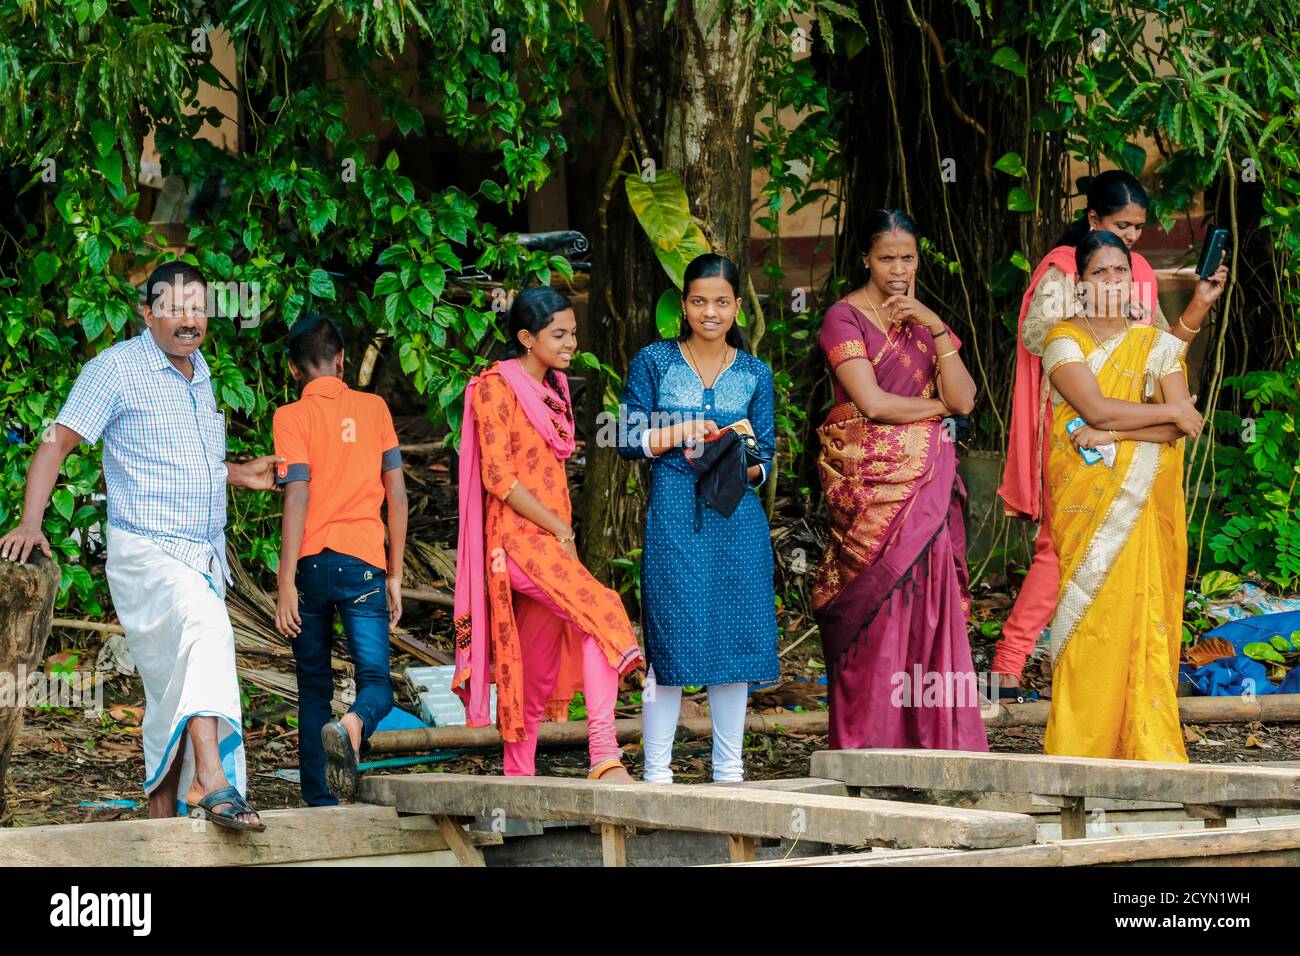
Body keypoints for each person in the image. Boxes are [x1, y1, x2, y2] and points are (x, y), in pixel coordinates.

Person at [0, 260, 280, 830]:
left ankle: (165, 818)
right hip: (148, 550)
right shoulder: (116, 369)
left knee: (171, 688)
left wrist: (239, 473)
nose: (188, 319)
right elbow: (55, 442)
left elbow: (179, 463)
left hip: (201, 556)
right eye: (174, 308)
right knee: (209, 632)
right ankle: (210, 779)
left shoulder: (201, 373)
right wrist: (32, 521)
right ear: (146, 313)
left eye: (198, 307)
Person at [993, 170, 1229, 694]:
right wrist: (1165, 414)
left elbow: (1154, 349)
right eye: (1122, 225)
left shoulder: (1138, 268)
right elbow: (1051, 348)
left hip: (1133, 432)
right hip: (1078, 426)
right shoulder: (1061, 271)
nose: (1131, 239)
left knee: (1134, 553)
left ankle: (1129, 670)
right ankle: (1011, 662)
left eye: (1139, 229)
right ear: (1093, 219)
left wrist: (1198, 305)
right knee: (1060, 546)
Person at [813, 209, 988, 751]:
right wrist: (937, 410)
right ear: (866, 258)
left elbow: (966, 400)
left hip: (927, 490)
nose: (897, 268)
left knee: (929, 606)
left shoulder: (928, 323)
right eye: (886, 257)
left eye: (907, 257)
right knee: (879, 609)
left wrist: (934, 326)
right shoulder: (844, 318)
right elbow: (871, 402)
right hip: (869, 489)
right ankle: (872, 747)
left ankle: (936, 744)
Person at [453, 285, 644, 780]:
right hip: (516, 542)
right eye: (558, 335)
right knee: (601, 609)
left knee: (535, 671)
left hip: (549, 541)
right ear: (525, 336)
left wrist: (559, 533)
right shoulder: (494, 387)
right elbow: (499, 477)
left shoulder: (555, 387)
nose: (569, 344)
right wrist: (560, 527)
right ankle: (603, 754)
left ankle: (518, 782)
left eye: (573, 333)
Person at [617, 253, 780, 783]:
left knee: (734, 639)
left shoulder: (756, 373)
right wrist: (685, 434)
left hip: (737, 518)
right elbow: (625, 439)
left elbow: (767, 457)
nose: (711, 311)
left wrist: (742, 457)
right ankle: (657, 774)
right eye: (699, 301)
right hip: (673, 515)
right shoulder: (655, 361)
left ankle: (729, 771)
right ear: (683, 306)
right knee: (669, 640)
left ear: (737, 307)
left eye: (722, 302)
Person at [1039, 231, 1201, 760]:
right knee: (1095, 624)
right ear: (1080, 284)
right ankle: (1079, 754)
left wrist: (1114, 433)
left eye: (1120, 272)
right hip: (1088, 502)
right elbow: (1098, 407)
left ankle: (1146, 751)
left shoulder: (1157, 344)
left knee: (1144, 617)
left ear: (1134, 280)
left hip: (1145, 500)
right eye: (1099, 273)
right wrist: (1162, 414)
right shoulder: (1063, 340)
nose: (1111, 281)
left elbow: (1180, 428)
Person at [272, 313, 406, 803]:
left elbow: (297, 495)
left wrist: (286, 581)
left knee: (312, 688)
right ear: (343, 360)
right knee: (376, 684)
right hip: (365, 566)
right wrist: (396, 573)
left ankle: (318, 802)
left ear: (293, 370)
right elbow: (397, 493)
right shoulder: (375, 409)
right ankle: (352, 724)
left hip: (310, 568)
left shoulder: (289, 417)